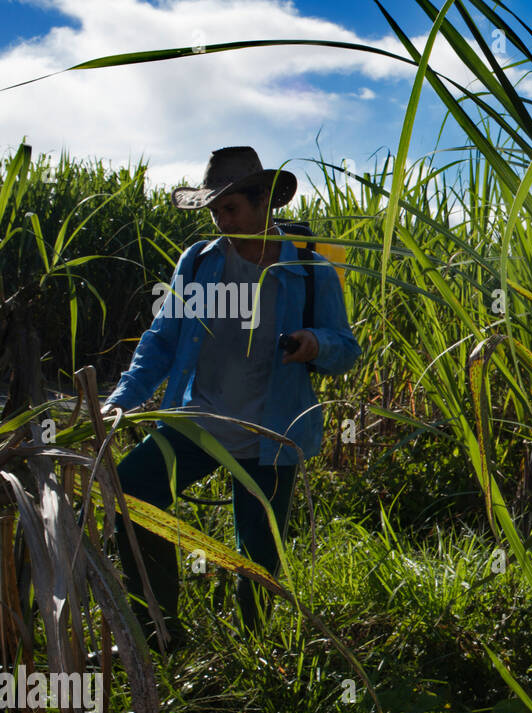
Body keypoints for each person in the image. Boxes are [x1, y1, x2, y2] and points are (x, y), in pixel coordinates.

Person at [102, 146, 361, 647]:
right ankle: (160, 631)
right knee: (131, 496)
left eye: (231, 208)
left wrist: (315, 344)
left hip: (272, 432)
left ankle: (254, 653)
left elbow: (345, 349)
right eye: (215, 211)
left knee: (258, 558)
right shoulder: (199, 262)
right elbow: (164, 337)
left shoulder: (310, 269)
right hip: (197, 421)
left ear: (263, 201)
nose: (222, 221)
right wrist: (123, 399)